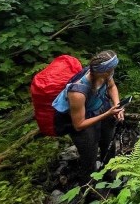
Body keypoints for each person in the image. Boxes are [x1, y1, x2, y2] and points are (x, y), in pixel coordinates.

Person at [53, 50, 124, 186]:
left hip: (102, 109)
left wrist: (117, 105)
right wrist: (108, 113)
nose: (113, 72)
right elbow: (79, 125)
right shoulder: (77, 91)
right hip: (84, 121)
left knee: (109, 145)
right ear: (103, 71)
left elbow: (112, 87)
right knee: (89, 156)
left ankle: (111, 175)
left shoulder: (105, 74)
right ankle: (89, 188)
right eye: (111, 69)